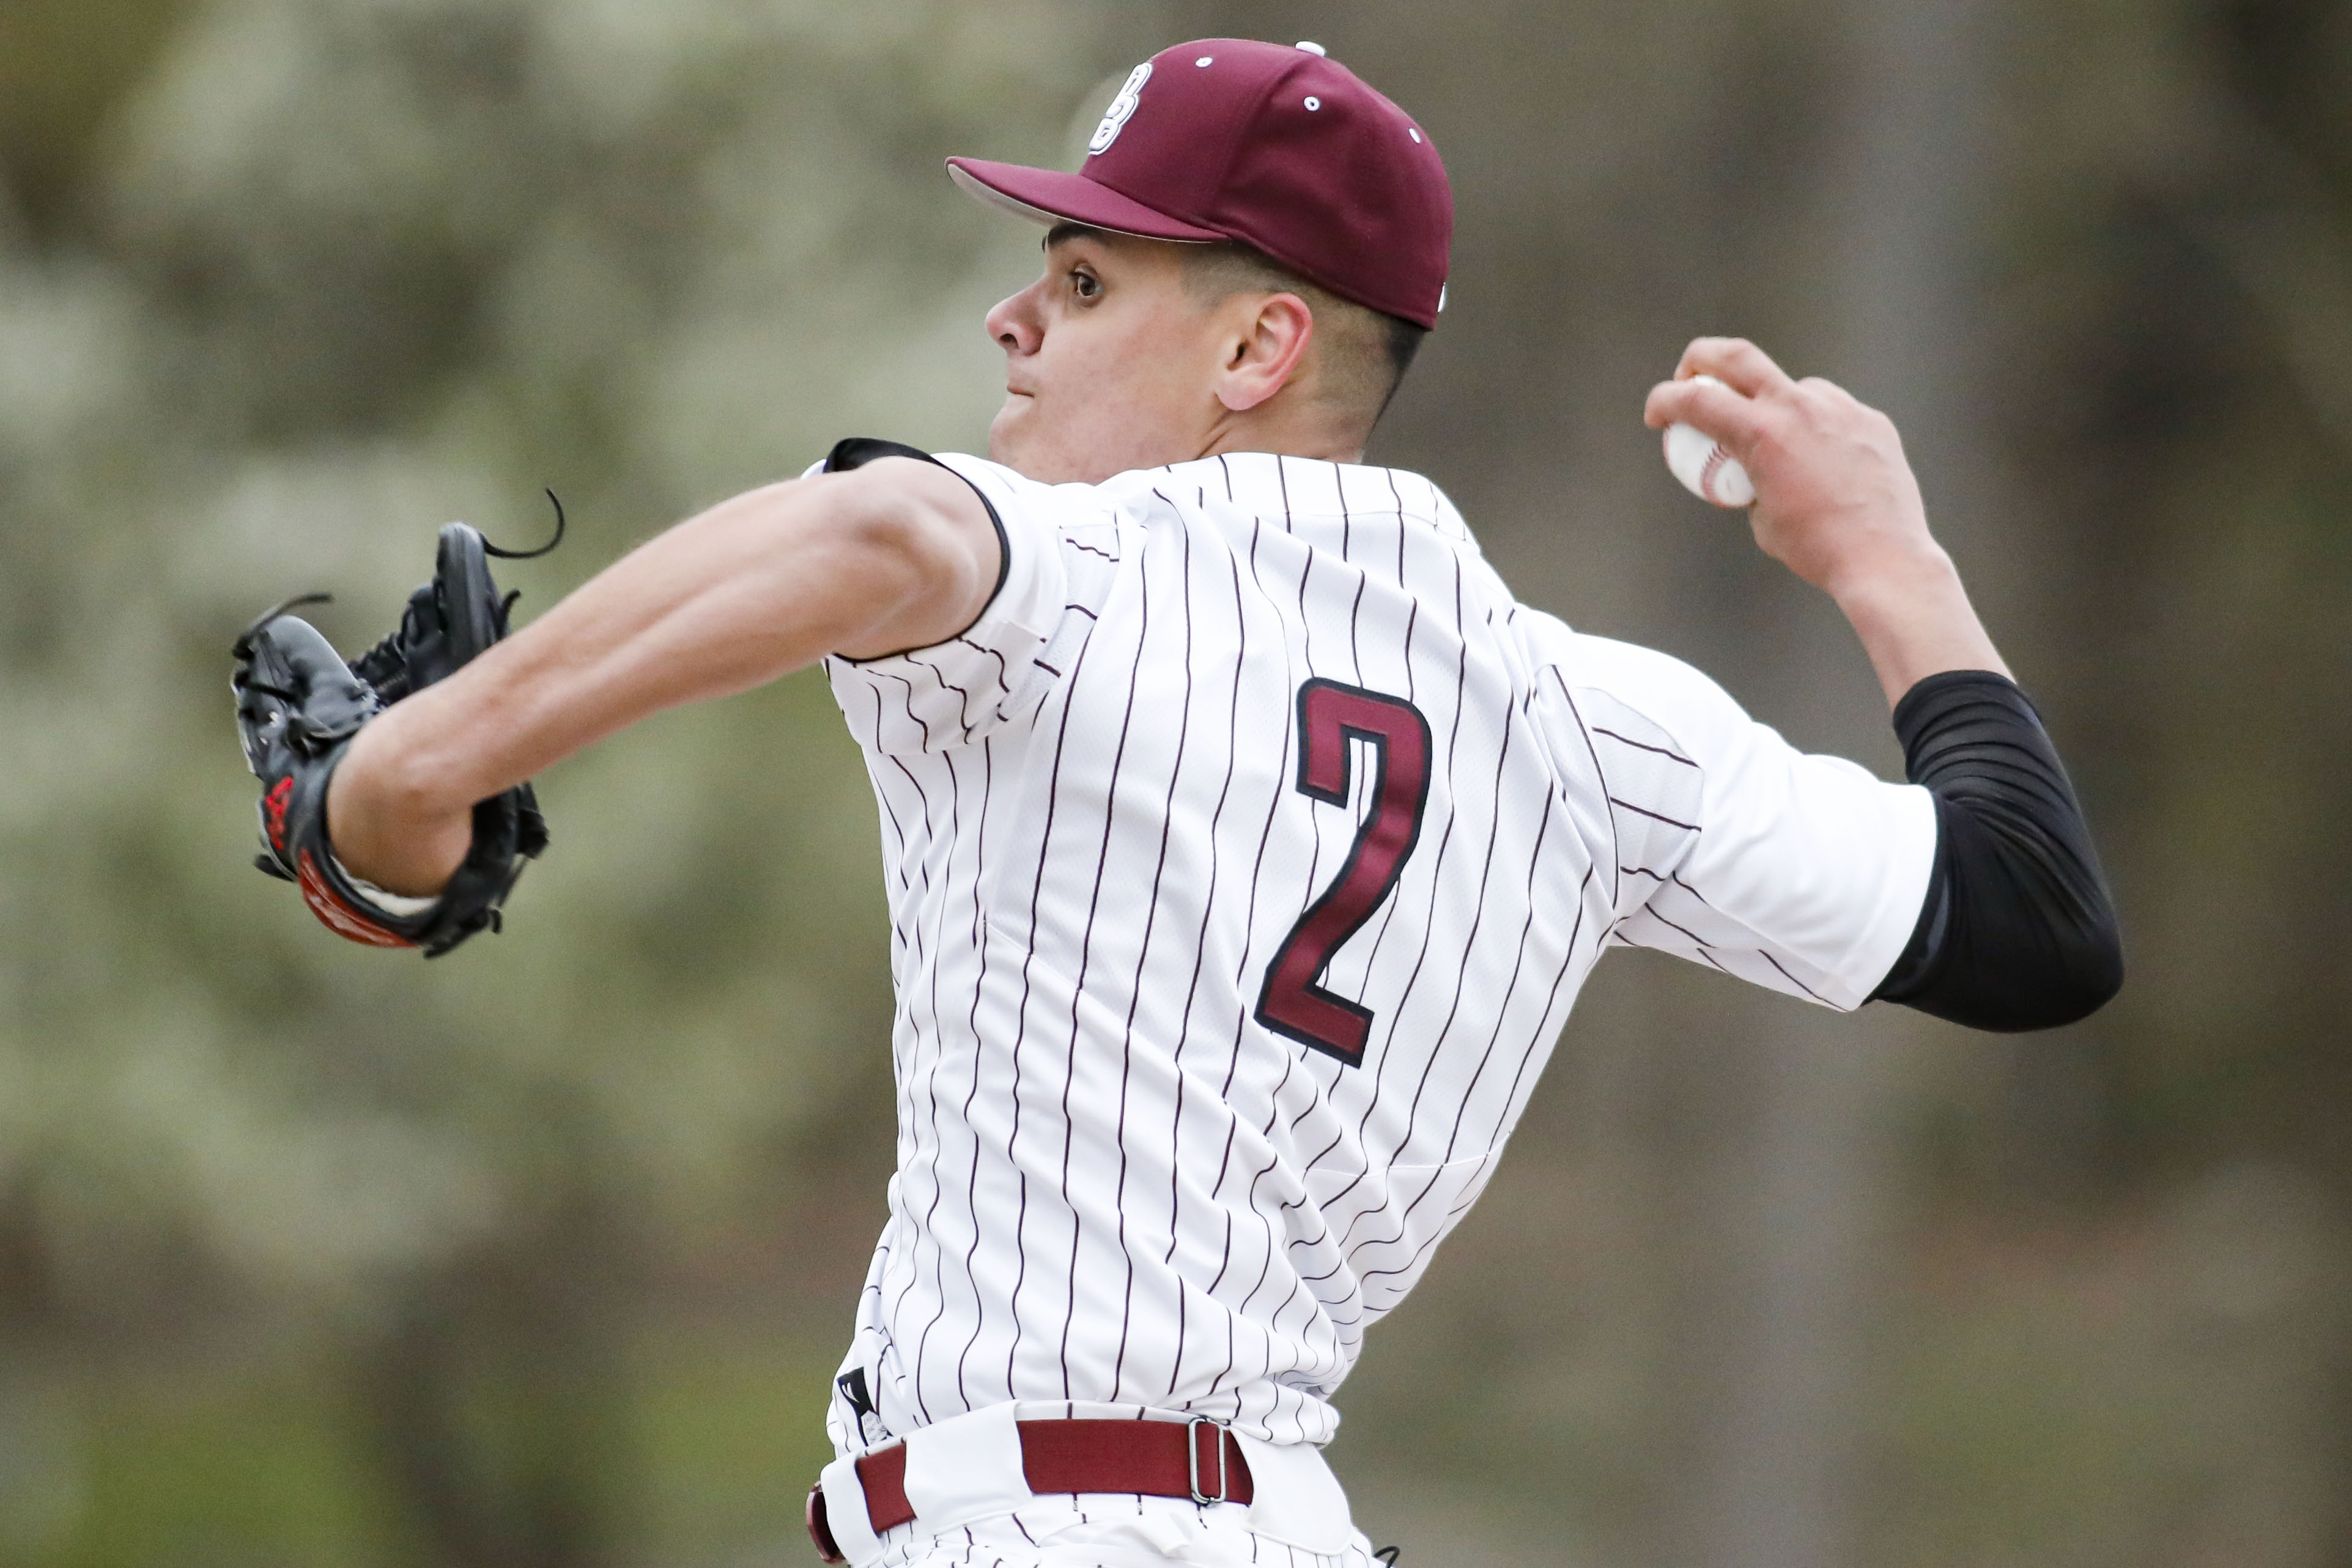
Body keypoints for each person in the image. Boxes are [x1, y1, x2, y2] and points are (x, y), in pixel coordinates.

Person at [307, 37, 2120, 1568]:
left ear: (1255, 352)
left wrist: (415, 766)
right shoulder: (1591, 720)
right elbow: (2037, 925)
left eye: (1089, 279)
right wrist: (1890, 559)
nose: (1016, 315)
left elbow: (874, 527)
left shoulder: (1079, 570)